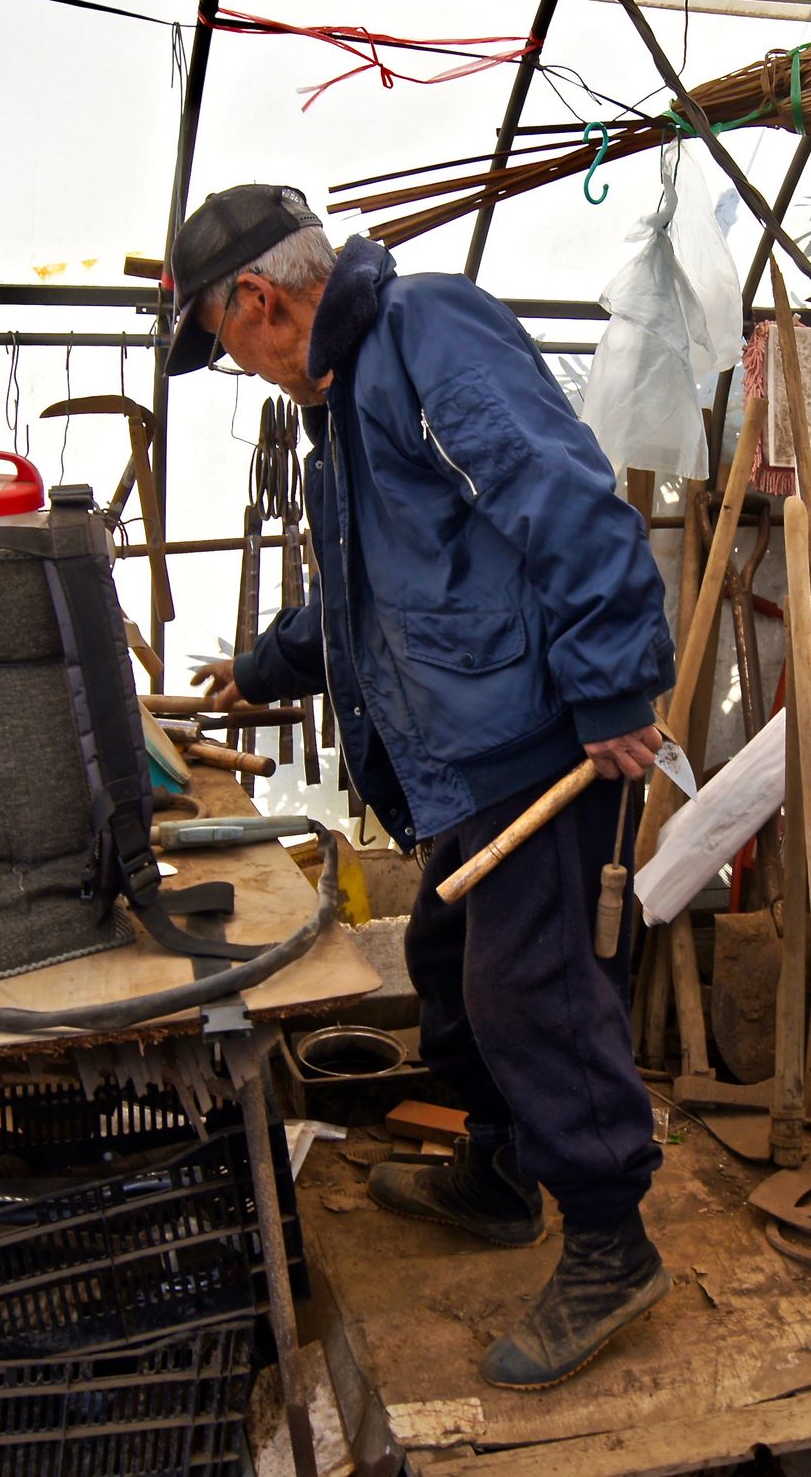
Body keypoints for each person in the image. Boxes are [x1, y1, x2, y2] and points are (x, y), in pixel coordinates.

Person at [170, 185, 678, 1390]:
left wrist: (613, 689)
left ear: (258, 301)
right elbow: (376, 586)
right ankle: (499, 1172)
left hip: (541, 739)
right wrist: (265, 666)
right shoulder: (346, 401)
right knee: (450, 971)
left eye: (222, 341)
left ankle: (612, 1242)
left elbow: (566, 499)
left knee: (533, 994)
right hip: (466, 754)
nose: (235, 366)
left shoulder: (427, 335)